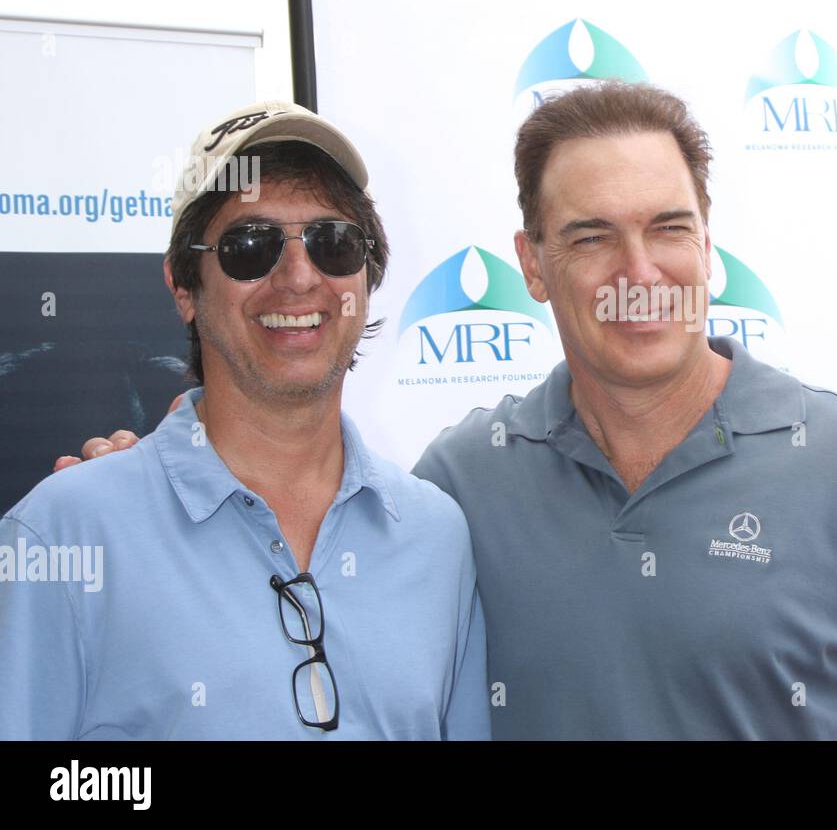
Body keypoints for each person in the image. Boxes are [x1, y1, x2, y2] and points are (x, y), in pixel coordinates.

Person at [56, 84, 837, 740]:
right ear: (532, 264)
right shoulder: (462, 487)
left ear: (708, 247)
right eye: (592, 237)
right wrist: (142, 490)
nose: (640, 274)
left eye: (669, 229)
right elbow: (285, 528)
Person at [4, 101, 488, 739]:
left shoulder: (437, 535)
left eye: (333, 242)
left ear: (366, 277)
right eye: (249, 246)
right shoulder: (63, 534)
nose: (298, 277)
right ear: (183, 285)